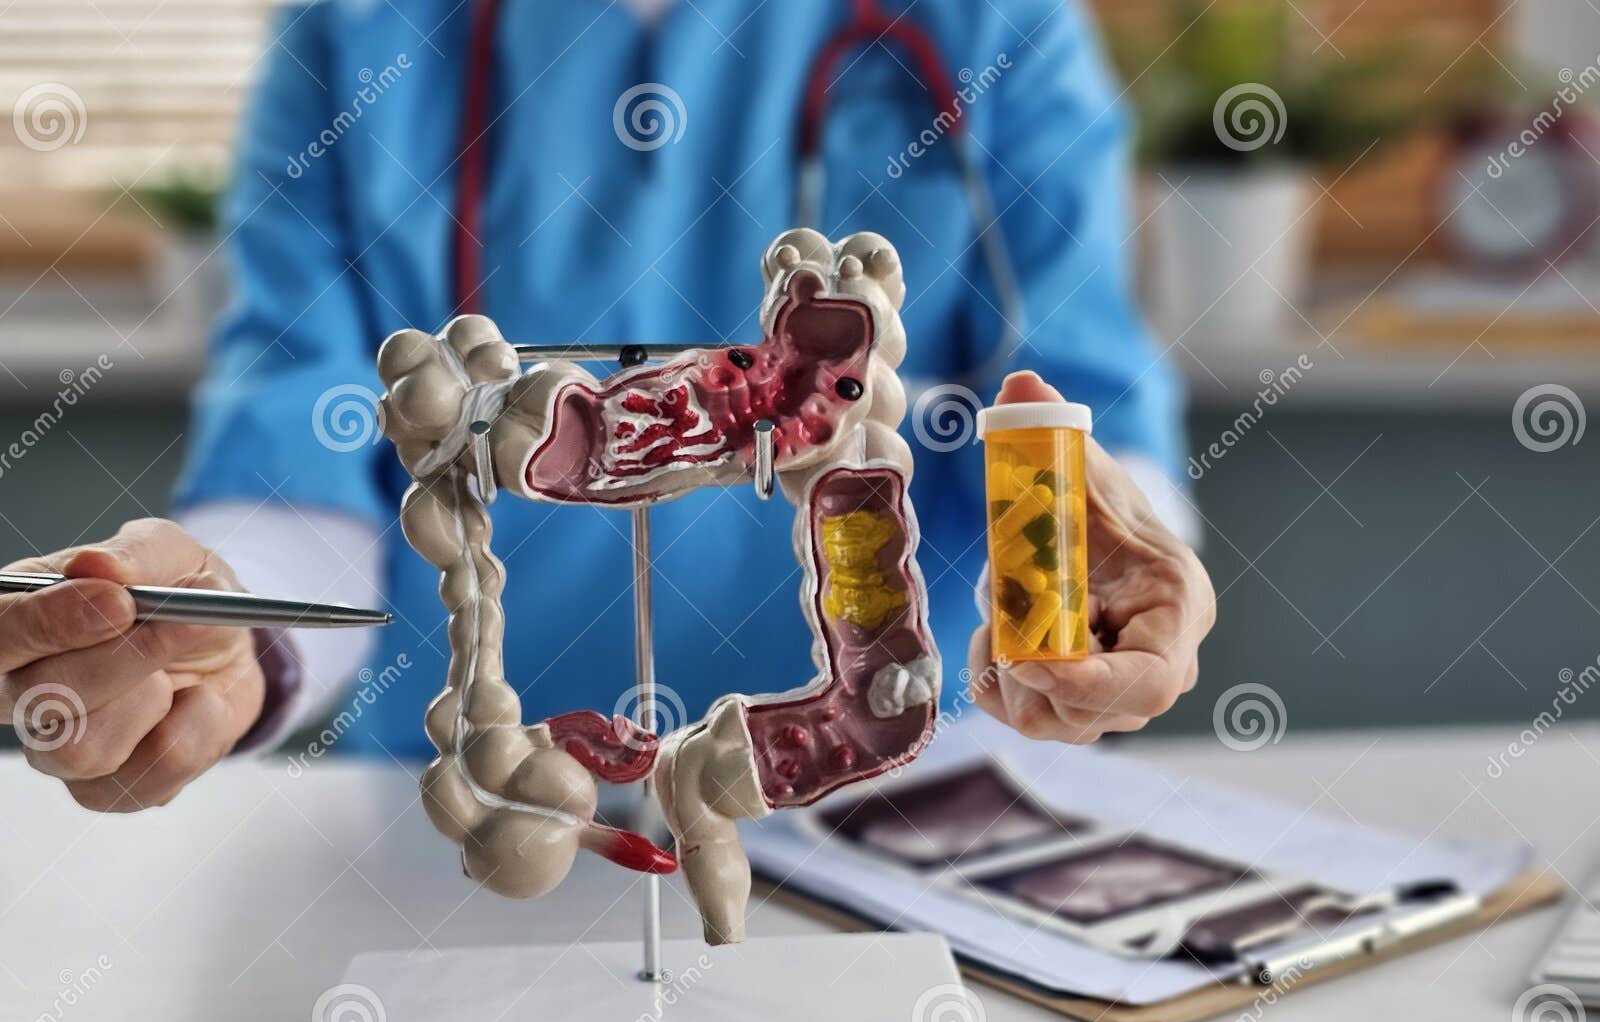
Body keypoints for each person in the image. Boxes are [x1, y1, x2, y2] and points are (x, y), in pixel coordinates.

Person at [2, 0, 1214, 811]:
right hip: (472, 815)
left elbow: (1073, 391)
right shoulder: (354, 34)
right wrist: (222, 644)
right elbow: (306, 447)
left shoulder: (985, 25)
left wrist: (1091, 570)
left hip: (902, 804)